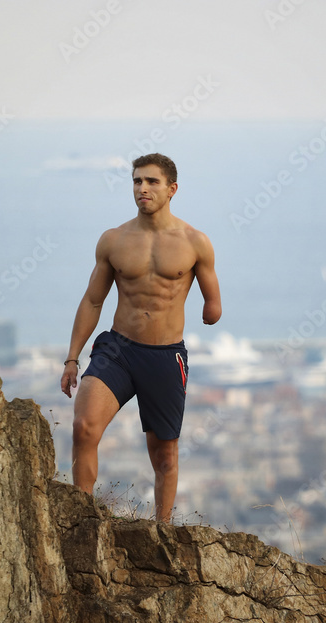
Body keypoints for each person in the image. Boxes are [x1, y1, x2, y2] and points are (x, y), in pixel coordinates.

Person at [60, 153, 221, 524]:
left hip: (165, 357)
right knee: (83, 427)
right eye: (137, 181)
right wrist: (72, 357)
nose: (142, 188)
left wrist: (209, 311)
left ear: (172, 189)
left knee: (164, 455)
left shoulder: (196, 243)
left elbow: (214, 304)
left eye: (151, 182)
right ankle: (81, 519)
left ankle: (161, 530)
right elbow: (93, 300)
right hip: (117, 349)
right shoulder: (113, 240)